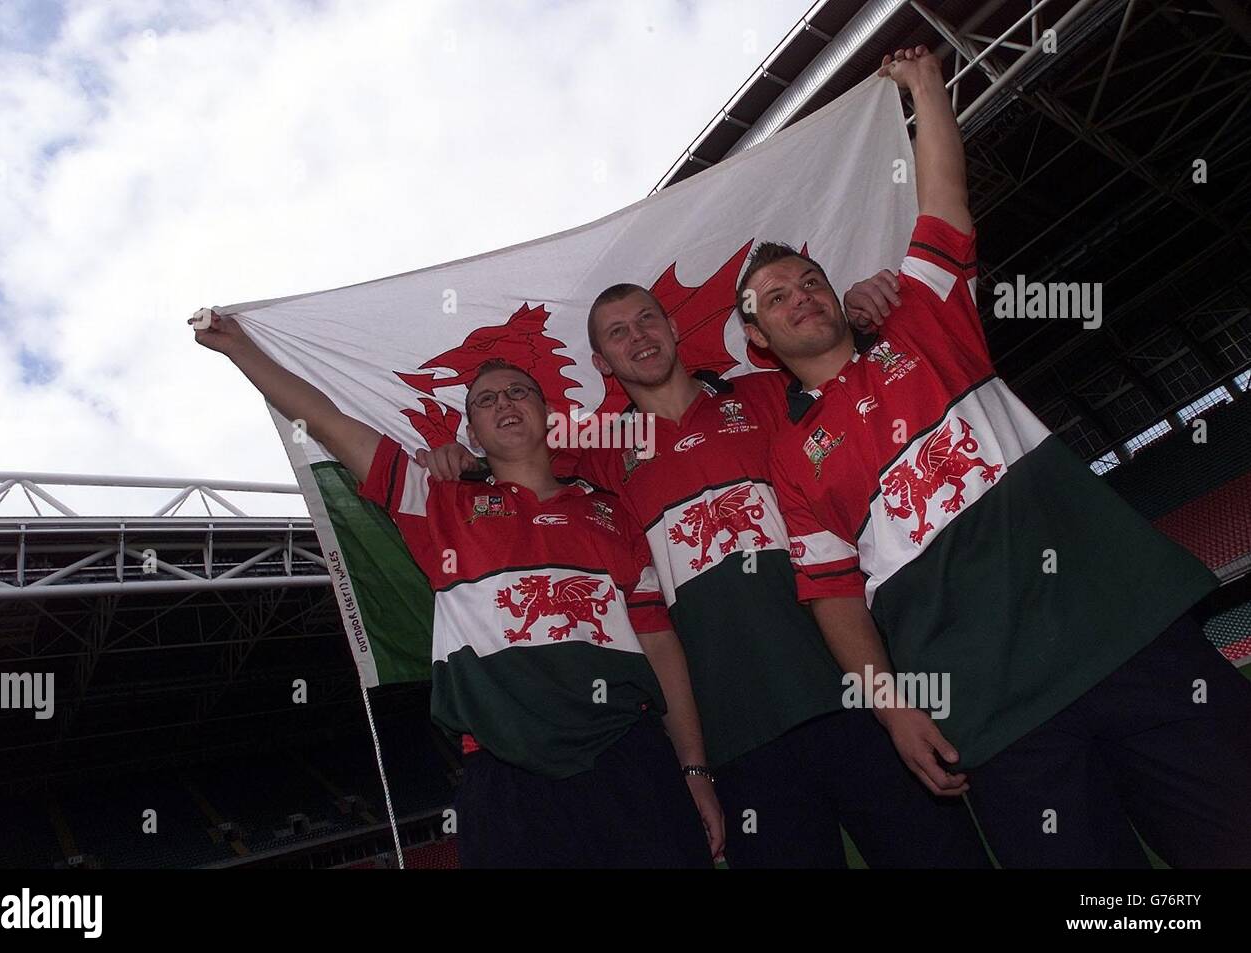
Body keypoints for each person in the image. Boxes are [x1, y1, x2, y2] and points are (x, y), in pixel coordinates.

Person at [742, 45, 1251, 867]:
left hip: (1125, 638)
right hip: (996, 713)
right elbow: (833, 597)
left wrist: (926, 87)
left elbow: (944, 198)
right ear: (758, 340)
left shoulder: (926, 321)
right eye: (776, 298)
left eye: (808, 278)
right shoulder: (793, 461)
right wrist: (892, 709)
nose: (801, 295)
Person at [423, 282, 988, 868]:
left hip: (855, 697)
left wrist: (870, 316)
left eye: (646, 320)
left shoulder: (768, 394)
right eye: (617, 332)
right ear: (601, 363)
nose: (637, 337)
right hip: (735, 741)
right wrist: (465, 467)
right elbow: (520, 461)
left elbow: (857, 382)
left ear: (672, 328)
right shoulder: (598, 463)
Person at [192, 313, 724, 867]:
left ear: (548, 415)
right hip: (507, 778)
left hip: (631, 759)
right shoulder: (437, 504)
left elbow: (659, 645)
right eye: (485, 400)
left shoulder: (611, 511)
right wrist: (240, 350)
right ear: (470, 432)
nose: (504, 403)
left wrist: (693, 769)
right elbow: (328, 422)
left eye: (519, 392)